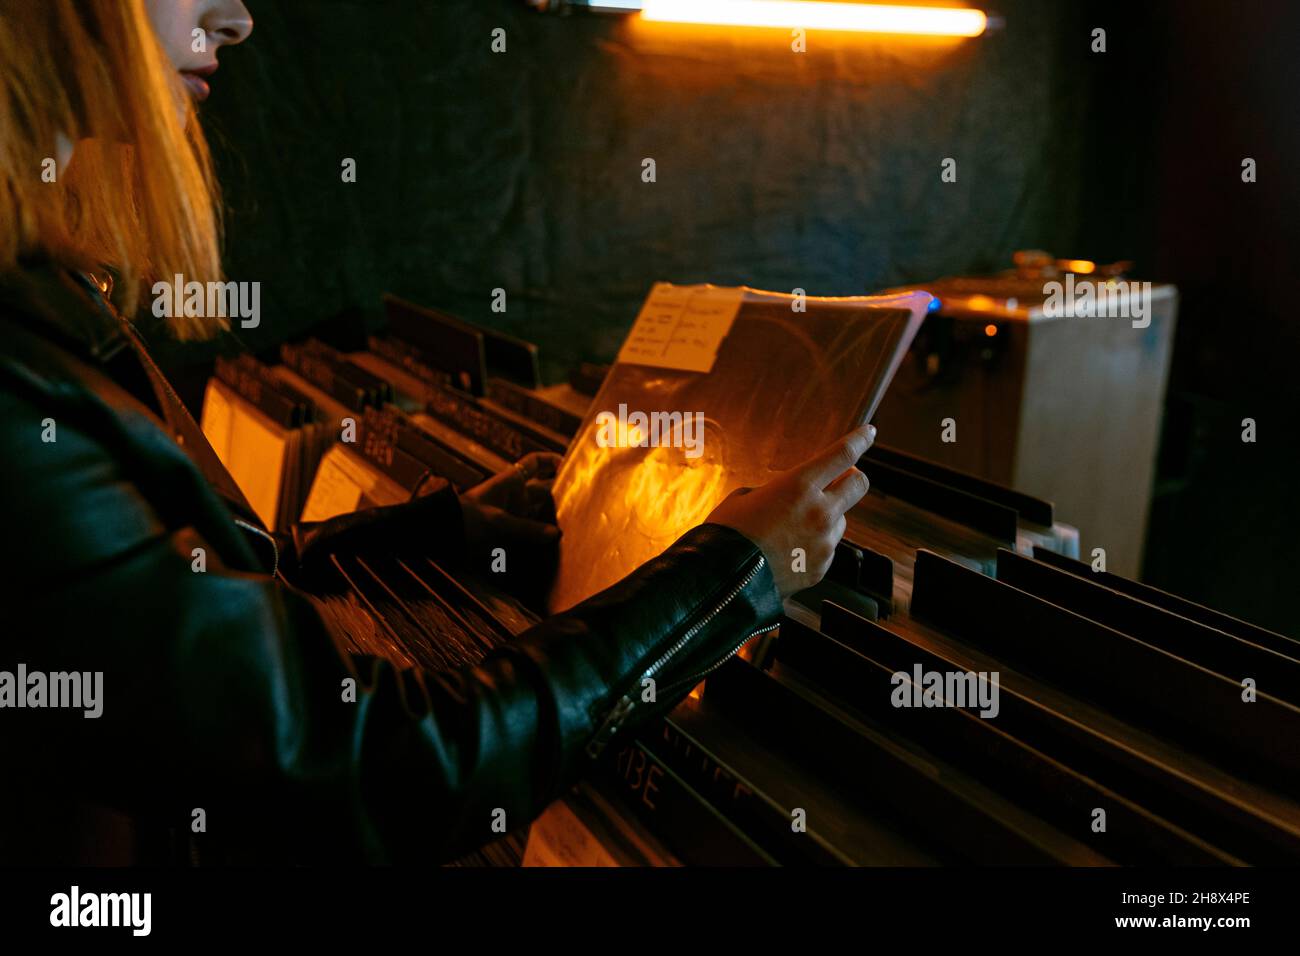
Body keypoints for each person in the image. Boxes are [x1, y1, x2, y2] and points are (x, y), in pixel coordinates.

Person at [0, 0, 875, 864]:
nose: (238, 18)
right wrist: (732, 573)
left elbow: (182, 601)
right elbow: (372, 771)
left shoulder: (44, 297)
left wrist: (438, 531)